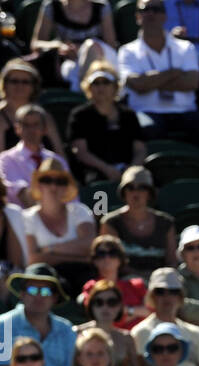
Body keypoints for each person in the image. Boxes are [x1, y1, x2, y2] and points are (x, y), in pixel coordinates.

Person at [117, 0, 199, 150]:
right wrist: (174, 72)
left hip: (184, 112)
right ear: (138, 16)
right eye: (146, 9)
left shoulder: (185, 47)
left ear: (165, 16)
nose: (151, 13)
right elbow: (136, 85)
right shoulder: (127, 51)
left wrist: (149, 82)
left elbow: (193, 82)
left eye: (157, 9)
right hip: (147, 111)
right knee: (146, 129)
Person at [30, 0, 117, 91]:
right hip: (69, 62)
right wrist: (59, 46)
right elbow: (36, 44)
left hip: (101, 60)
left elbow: (110, 44)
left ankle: (83, 92)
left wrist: (83, 49)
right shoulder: (51, 6)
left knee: (90, 46)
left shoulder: (101, 6)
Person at [65, 62, 146, 186]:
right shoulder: (80, 115)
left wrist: (131, 171)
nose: (101, 87)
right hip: (96, 173)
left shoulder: (128, 114)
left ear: (115, 87)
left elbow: (140, 149)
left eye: (106, 82)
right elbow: (81, 152)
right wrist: (107, 169)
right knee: (99, 191)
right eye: (96, 83)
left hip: (127, 172)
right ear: (89, 87)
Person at [132, 268, 199, 366]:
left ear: (180, 297)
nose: (167, 297)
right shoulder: (140, 332)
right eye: (160, 291)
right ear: (152, 296)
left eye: (173, 291)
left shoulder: (196, 332)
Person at [22, 159, 95, 294]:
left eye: (60, 181)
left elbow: (90, 245)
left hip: (82, 275)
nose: (53, 187)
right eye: (47, 180)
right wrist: (79, 257)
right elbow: (33, 259)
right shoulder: (27, 217)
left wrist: (49, 249)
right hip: (46, 279)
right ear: (39, 185)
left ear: (67, 187)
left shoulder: (80, 211)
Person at [0, 264, 74, 366]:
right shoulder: (3, 326)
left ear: (54, 298)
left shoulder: (66, 329)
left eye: (45, 291)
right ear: (21, 294)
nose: (38, 296)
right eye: (32, 290)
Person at [100, 166, 177, 279]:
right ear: (124, 192)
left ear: (149, 193)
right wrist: (141, 278)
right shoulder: (111, 222)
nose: (135, 193)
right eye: (130, 188)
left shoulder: (166, 222)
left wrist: (158, 280)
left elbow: (172, 262)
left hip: (160, 285)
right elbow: (109, 262)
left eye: (142, 188)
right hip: (125, 283)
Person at [0, 104, 69, 207]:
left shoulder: (57, 160)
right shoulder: (6, 159)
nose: (31, 130)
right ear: (17, 128)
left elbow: (71, 198)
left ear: (45, 129)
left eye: (36, 124)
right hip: (22, 220)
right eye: (26, 125)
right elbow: (23, 195)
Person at [77, 279, 139, 366]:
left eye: (112, 302)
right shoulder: (77, 333)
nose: (105, 307)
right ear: (91, 305)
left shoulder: (127, 338)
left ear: (120, 306)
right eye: (99, 302)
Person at [81, 234, 148, 330]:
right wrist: (135, 312)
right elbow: (98, 316)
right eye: (101, 254)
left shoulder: (136, 285)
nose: (107, 258)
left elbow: (151, 311)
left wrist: (127, 310)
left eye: (112, 253)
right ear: (94, 260)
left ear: (120, 259)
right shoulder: (91, 286)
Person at [0, 60, 64, 158]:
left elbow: (59, 153)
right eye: (14, 81)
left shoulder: (45, 116)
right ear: (4, 84)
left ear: (34, 86)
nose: (19, 86)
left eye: (25, 82)